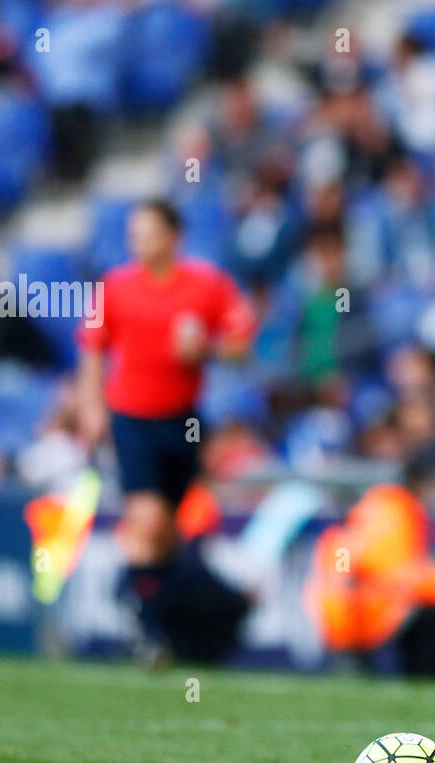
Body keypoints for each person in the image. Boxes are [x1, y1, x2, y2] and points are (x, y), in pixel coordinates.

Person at [76, 199, 256, 662]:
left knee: (168, 533)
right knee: (147, 519)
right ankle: (148, 633)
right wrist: (92, 407)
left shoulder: (206, 285)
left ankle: (162, 622)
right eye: (134, 234)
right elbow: (93, 349)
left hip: (184, 421)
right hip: (131, 417)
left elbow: (241, 343)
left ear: (174, 237)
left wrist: (208, 348)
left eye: (149, 233)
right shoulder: (115, 288)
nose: (138, 243)